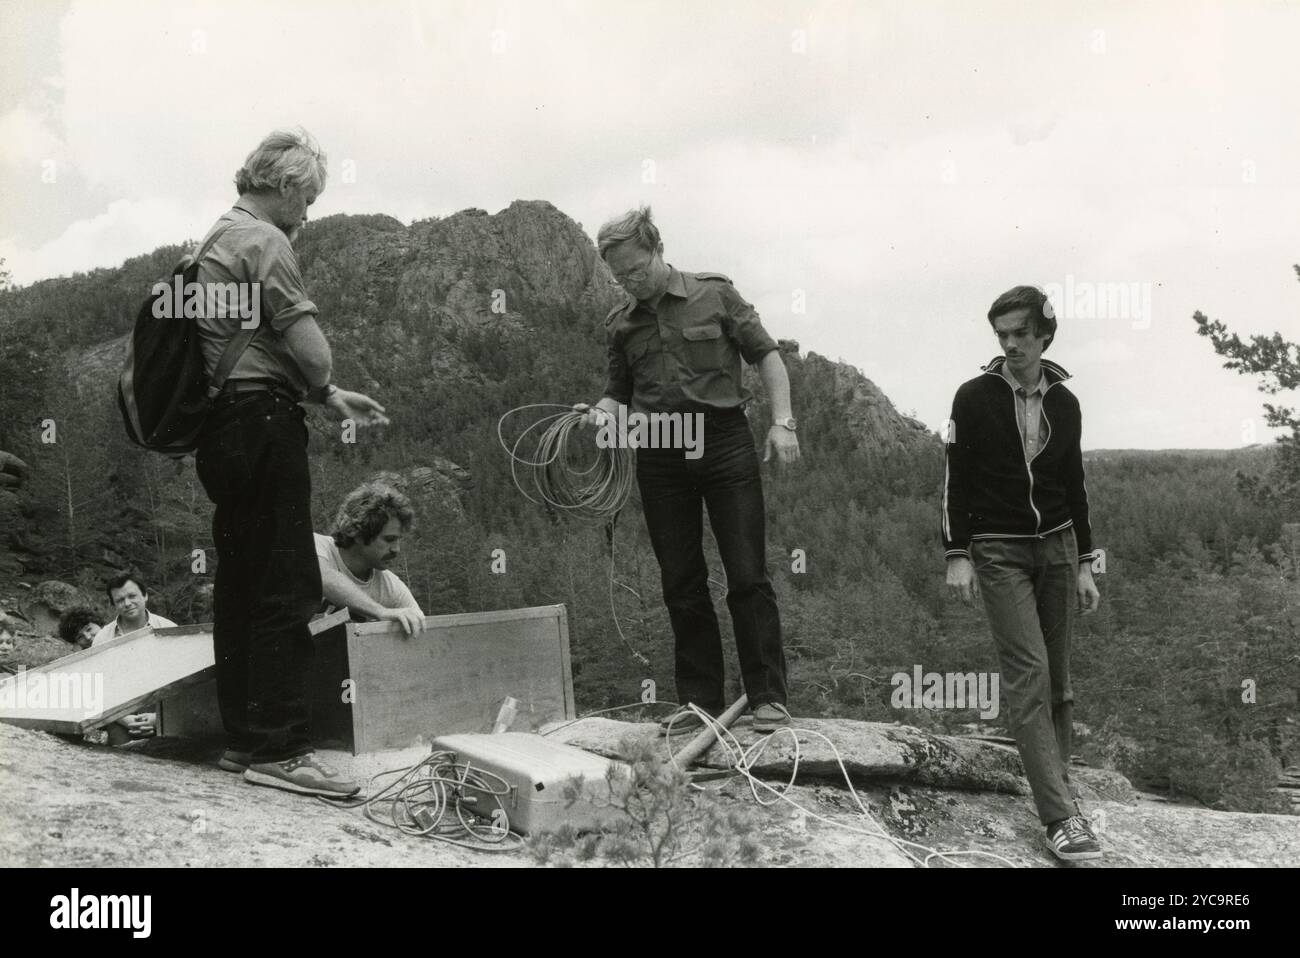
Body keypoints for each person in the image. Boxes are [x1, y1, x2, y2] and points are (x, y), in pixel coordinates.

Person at [192, 129, 390, 795]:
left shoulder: (217, 237)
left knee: (242, 583)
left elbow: (251, 350)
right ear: (279, 186)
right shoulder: (267, 241)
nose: (308, 213)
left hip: (223, 428)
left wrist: (329, 399)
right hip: (266, 423)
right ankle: (284, 752)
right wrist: (325, 379)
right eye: (306, 198)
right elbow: (313, 354)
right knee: (289, 583)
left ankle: (243, 742)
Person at [575, 206, 800, 735]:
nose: (628, 282)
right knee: (680, 580)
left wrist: (783, 422)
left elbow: (766, 355)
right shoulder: (621, 324)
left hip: (724, 442)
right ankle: (699, 703)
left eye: (634, 270)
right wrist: (597, 416)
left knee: (746, 573)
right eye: (618, 276)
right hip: (659, 451)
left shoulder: (715, 293)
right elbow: (617, 395)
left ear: (656, 249)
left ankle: (767, 695)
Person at [942, 285, 1102, 862]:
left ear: (1044, 336)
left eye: (1019, 334)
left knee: (1060, 682)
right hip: (999, 550)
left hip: (1057, 548)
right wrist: (956, 552)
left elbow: (1075, 485)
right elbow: (954, 479)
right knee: (1030, 675)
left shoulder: (1066, 403)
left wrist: (1085, 561)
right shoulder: (973, 397)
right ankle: (1060, 818)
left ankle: (1062, 792)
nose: (1009, 345)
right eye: (1001, 335)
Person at [316, 481, 424, 635]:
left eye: (398, 540)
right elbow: (323, 578)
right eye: (389, 539)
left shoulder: (391, 587)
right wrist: (381, 612)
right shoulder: (316, 546)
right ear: (358, 534)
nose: (396, 549)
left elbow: (419, 627)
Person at [91, 573, 176, 646]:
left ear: (145, 596)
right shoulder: (103, 639)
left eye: (132, 596)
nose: (127, 603)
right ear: (114, 604)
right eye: (120, 600)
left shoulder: (168, 628)